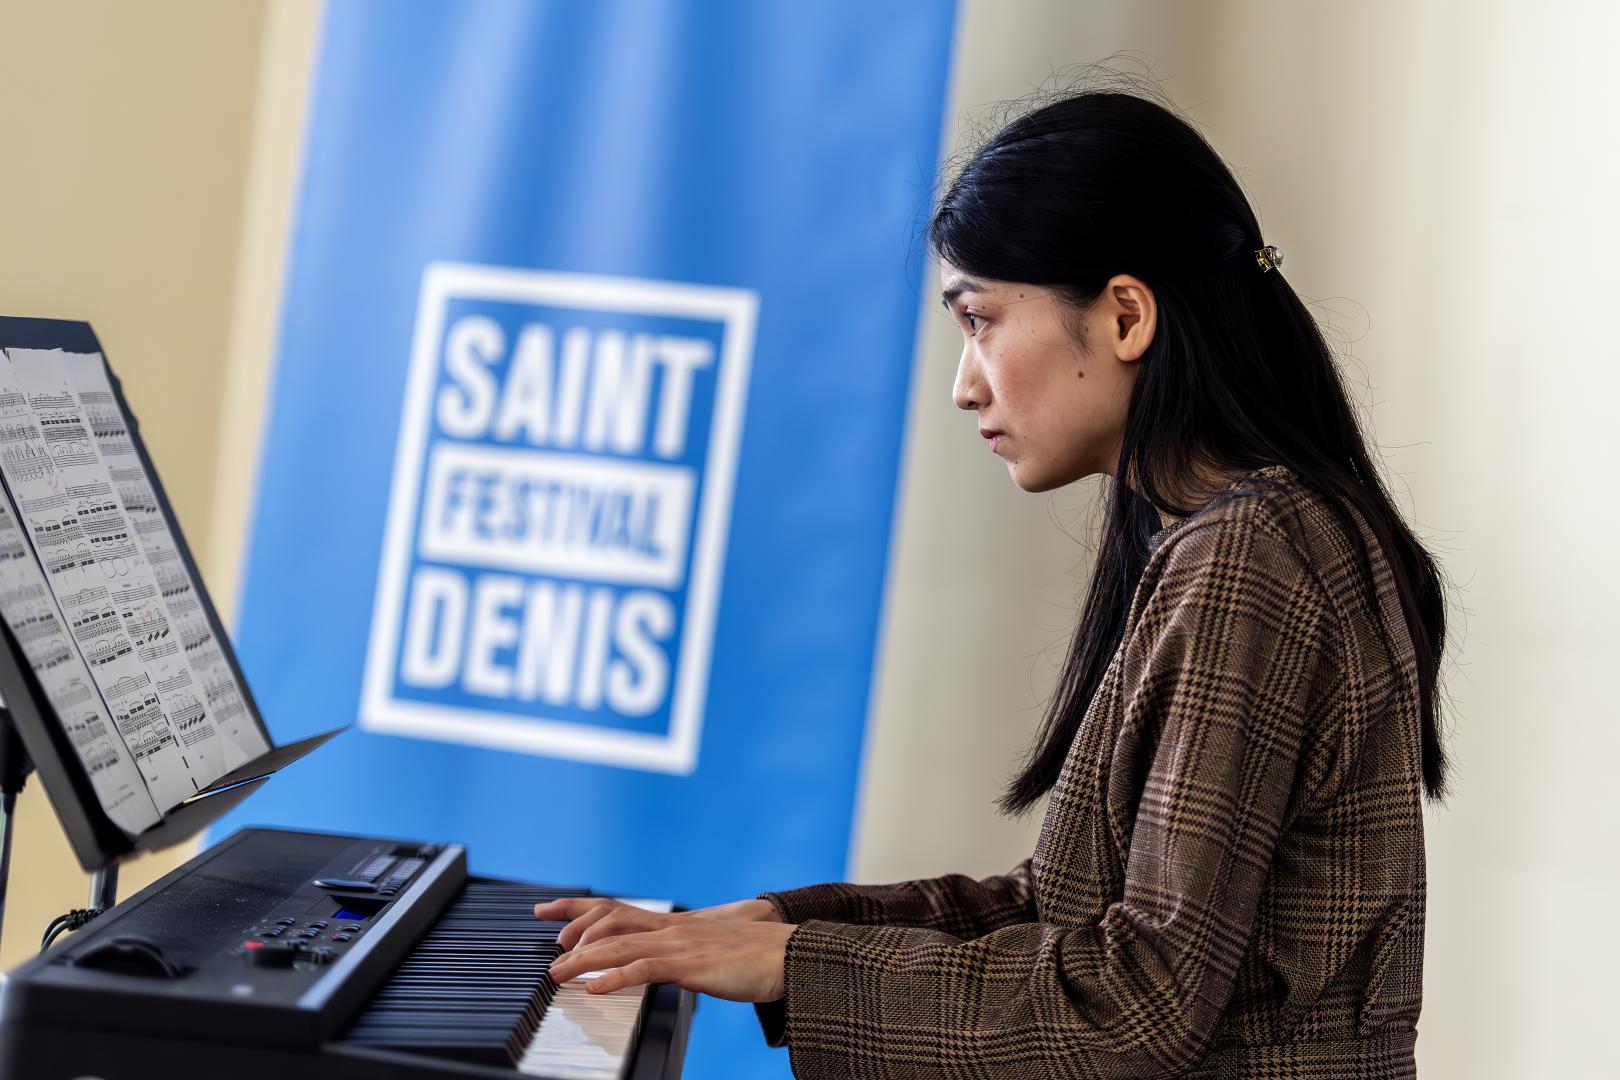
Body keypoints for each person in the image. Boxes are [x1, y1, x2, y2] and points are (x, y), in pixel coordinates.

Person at [539, 85, 1450, 1078]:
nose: (965, 382)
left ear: (1126, 316)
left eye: (980, 320)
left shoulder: (1253, 556)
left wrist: (793, 962)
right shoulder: (1244, 531)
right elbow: (1067, 906)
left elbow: (1136, 1004)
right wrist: (771, 926)